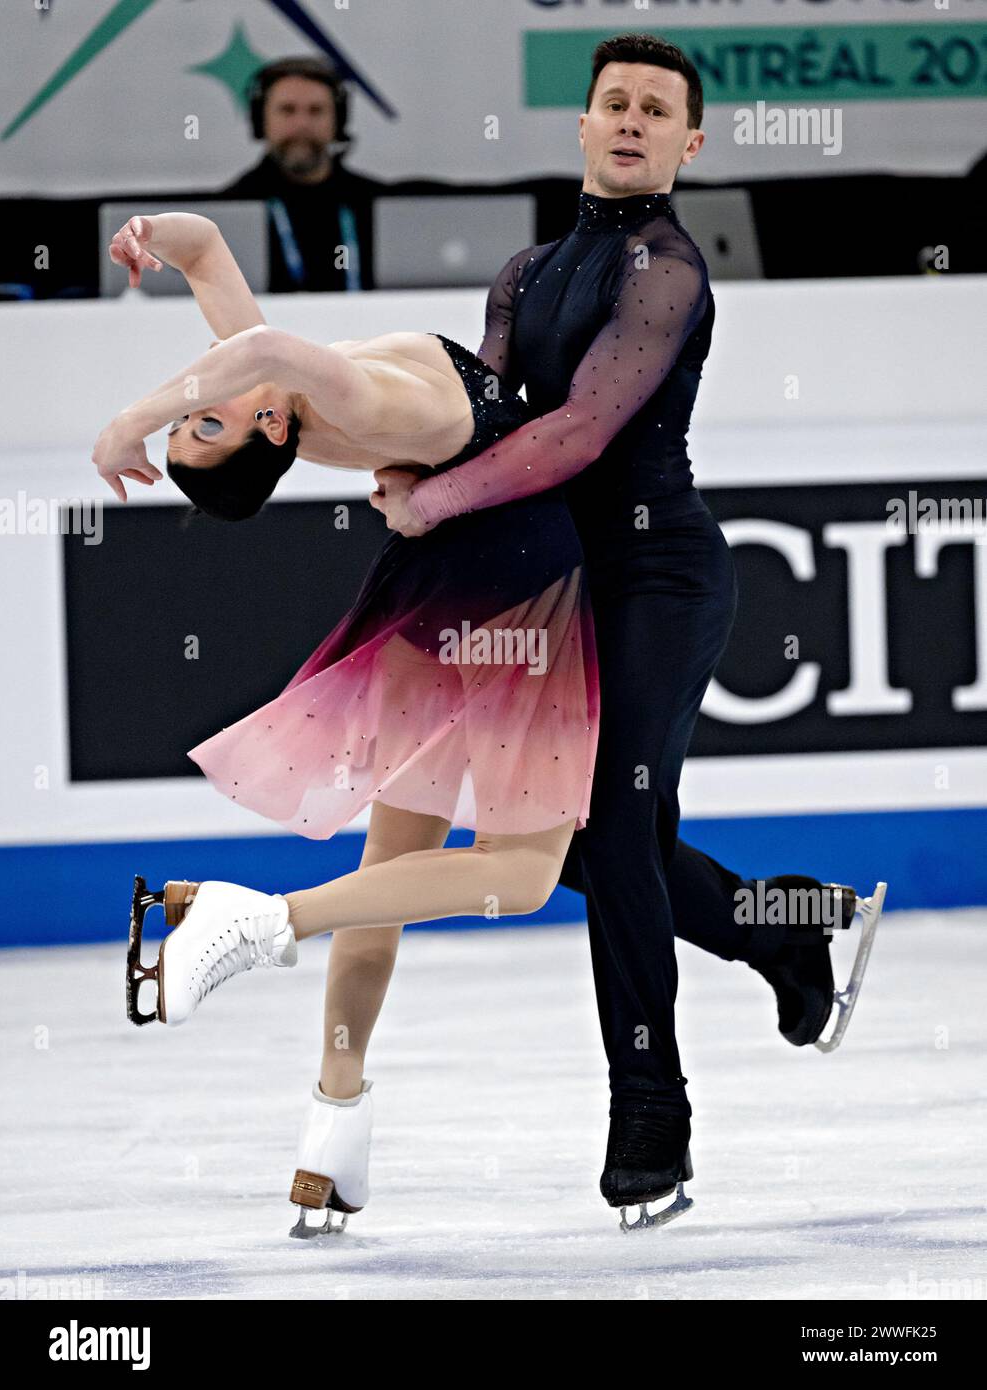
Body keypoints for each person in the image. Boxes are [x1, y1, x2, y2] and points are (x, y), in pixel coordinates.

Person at [370, 31, 884, 1228]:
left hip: (657, 577)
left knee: (607, 826)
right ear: (584, 124)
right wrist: (392, 445)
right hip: (555, 583)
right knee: (582, 846)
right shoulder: (522, 271)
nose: (634, 120)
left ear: (689, 143)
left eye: (659, 109)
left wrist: (432, 502)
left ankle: (651, 1107)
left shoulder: (666, 269)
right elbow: (487, 414)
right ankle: (785, 922)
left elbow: (574, 436)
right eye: (616, 103)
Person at [98, 209, 600, 1235]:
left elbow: (209, 267)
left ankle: (332, 1129)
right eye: (202, 420)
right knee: (520, 873)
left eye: (194, 414)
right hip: (516, 594)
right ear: (269, 429)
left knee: (393, 864)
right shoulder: (331, 389)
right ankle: (266, 919)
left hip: (436, 590)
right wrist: (125, 422)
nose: (196, 399)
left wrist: (158, 233)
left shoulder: (283, 394)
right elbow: (262, 344)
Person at [221, 56, 380, 292]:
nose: (302, 124)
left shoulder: (375, 203)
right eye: (287, 110)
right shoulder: (231, 209)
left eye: (316, 111)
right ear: (260, 120)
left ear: (339, 120)